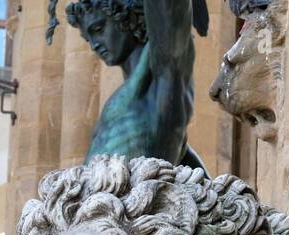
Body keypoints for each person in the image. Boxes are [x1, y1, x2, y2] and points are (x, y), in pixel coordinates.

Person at [48, 0, 210, 167]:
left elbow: (170, 8)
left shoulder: (163, 74)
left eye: (98, 29)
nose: (94, 45)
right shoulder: (129, 96)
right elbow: (181, 151)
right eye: (88, 39)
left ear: (128, 18)